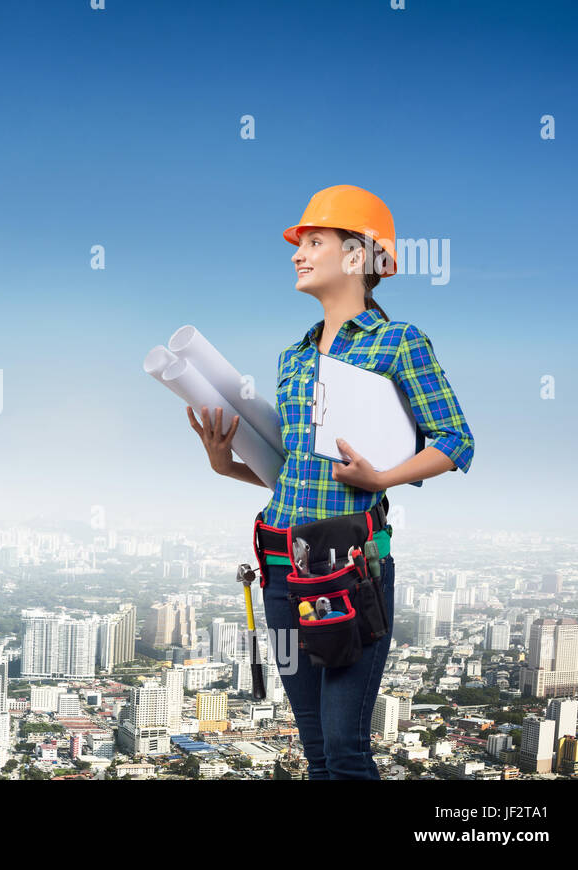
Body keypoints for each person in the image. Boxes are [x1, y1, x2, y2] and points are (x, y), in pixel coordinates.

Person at [186, 184, 474, 779]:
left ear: (356, 257)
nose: (298, 252)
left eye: (314, 240)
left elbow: (455, 440)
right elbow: (293, 472)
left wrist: (384, 476)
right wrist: (228, 466)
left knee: (345, 750)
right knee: (315, 748)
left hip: (350, 569)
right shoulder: (292, 357)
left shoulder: (398, 342)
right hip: (282, 568)